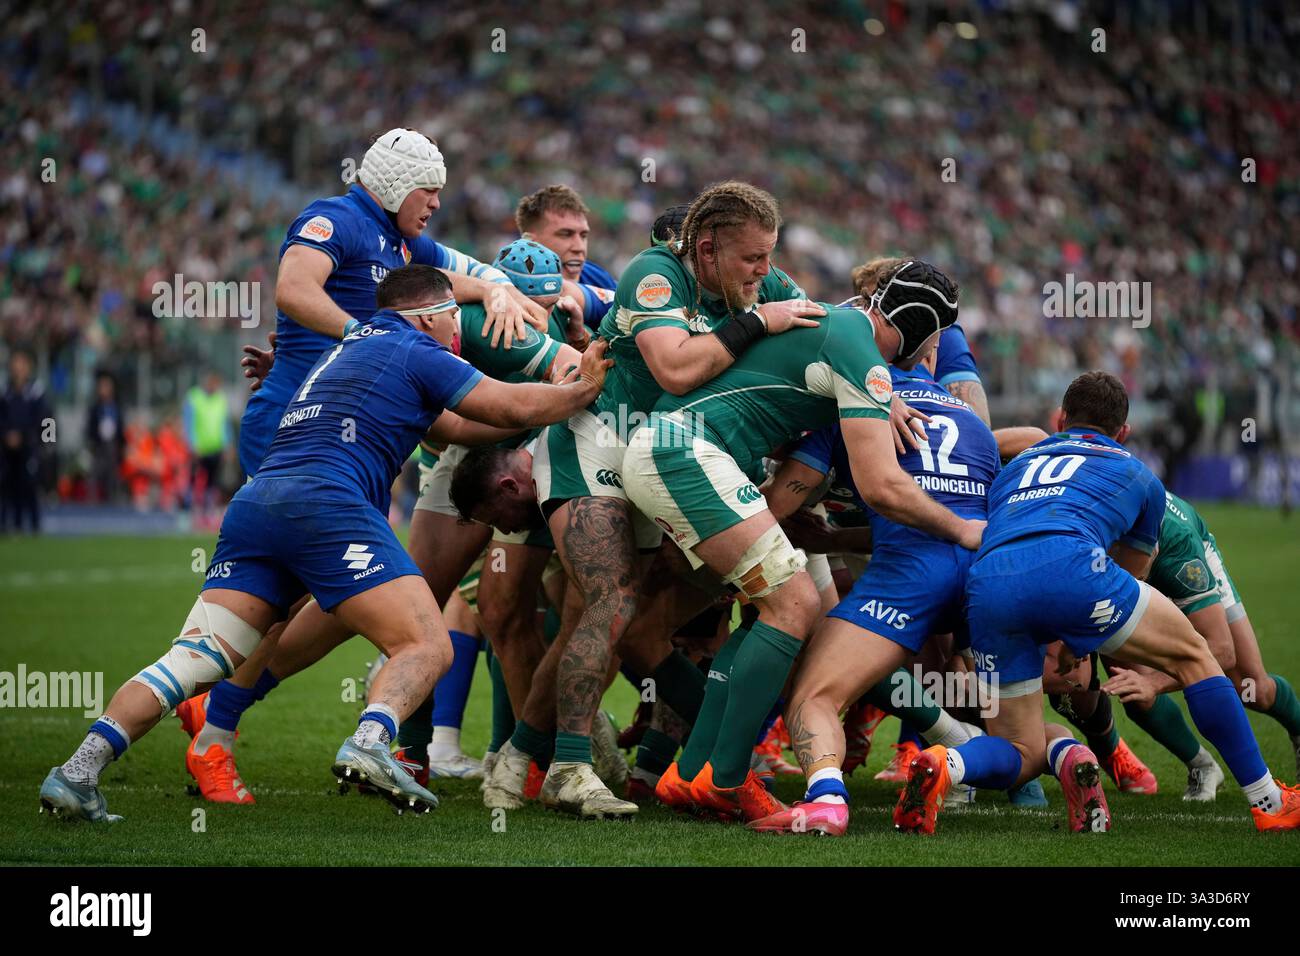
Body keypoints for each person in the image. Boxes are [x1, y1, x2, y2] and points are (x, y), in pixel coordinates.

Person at [38, 264, 611, 822]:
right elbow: (508, 403)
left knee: (194, 660)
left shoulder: (348, 347)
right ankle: (371, 738)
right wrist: (580, 388)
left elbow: (456, 428)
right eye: (452, 320)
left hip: (257, 503)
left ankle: (78, 770)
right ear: (429, 316)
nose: (458, 332)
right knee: (428, 643)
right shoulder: (420, 350)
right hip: (327, 505)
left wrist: (529, 417)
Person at [481, 181, 825, 820]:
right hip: (597, 438)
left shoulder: (762, 287)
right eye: (752, 258)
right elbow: (673, 370)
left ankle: (524, 753)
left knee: (617, 617)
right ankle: (570, 766)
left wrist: (884, 393)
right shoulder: (656, 273)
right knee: (610, 601)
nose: (765, 271)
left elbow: (826, 333)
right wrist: (757, 323)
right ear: (706, 248)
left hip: (667, 458)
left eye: (769, 256)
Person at [622, 259, 983, 823]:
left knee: (783, 612)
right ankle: (727, 778)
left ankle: (690, 772)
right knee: (795, 605)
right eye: (935, 338)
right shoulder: (863, 356)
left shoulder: (840, 331)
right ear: (918, 327)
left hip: (683, 450)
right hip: (686, 452)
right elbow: (883, 487)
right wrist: (965, 529)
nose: (934, 351)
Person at [893, 371, 1300, 834]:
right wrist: (1080, 635)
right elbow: (1130, 570)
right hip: (1072, 566)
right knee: (1196, 656)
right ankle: (1269, 800)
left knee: (1022, 750)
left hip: (987, 585)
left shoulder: (1017, 465)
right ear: (1123, 432)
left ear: (1061, 419)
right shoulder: (1137, 473)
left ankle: (947, 764)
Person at [0, 350, 51, 533]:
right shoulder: (5, 392)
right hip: (7, 448)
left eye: (21, 364)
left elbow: (47, 420)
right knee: (6, 485)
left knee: (29, 486)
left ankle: (34, 525)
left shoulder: (37, 392)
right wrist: (6, 435)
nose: (17, 368)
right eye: (15, 363)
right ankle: (7, 524)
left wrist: (46, 445)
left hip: (30, 447)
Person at [183, 371, 232, 515]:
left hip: (215, 448)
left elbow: (224, 424)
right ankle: (188, 511)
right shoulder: (193, 397)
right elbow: (188, 423)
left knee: (212, 481)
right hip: (199, 449)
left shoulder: (221, 399)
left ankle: (208, 510)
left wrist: (227, 444)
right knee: (193, 480)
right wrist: (192, 444)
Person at [84, 371, 125, 504]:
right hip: (98, 447)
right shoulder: (95, 408)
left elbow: (121, 428)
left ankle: (113, 502)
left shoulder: (117, 407)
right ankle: (92, 503)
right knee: (94, 477)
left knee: (113, 478)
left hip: (113, 446)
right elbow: (89, 428)